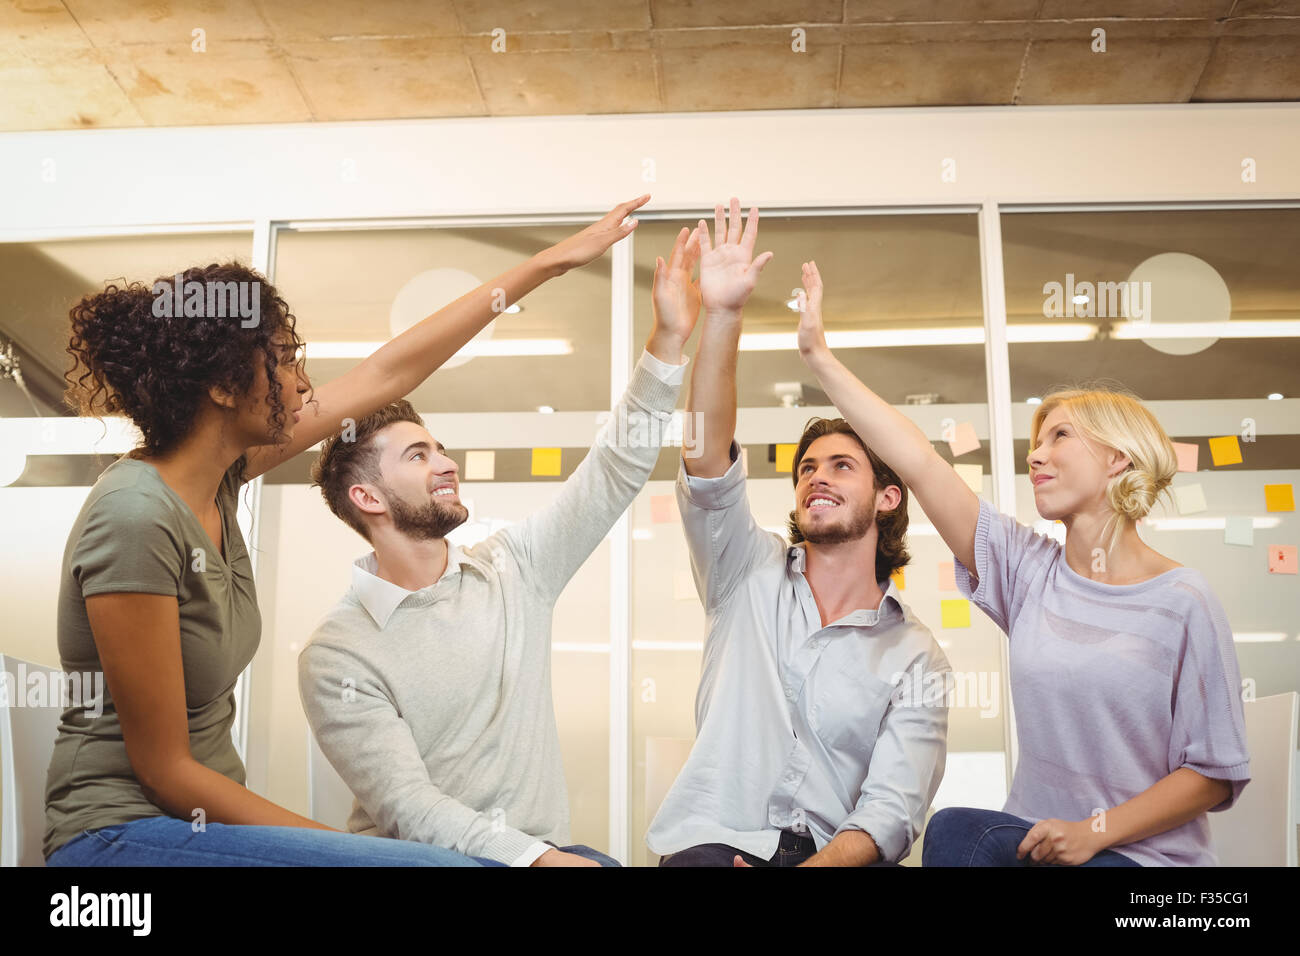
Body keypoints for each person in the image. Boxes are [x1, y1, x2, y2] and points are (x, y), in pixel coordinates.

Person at [44, 195, 650, 867]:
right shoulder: (135, 517)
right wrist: (342, 853)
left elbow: (387, 372)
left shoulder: (219, 477)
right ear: (221, 386)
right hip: (116, 837)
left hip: (199, 834)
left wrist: (547, 264)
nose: (305, 386)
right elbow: (165, 771)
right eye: (286, 360)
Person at [791, 260, 1251, 867]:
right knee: (955, 831)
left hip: (1143, 865)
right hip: (1038, 849)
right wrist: (820, 358)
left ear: (1118, 458)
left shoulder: (1182, 599)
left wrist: (1095, 831)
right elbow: (922, 462)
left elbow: (1215, 773)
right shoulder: (1031, 573)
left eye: (1060, 437)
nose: (1036, 456)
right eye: (1035, 444)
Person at [297, 226, 700, 867]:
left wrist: (668, 342)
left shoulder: (514, 571)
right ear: (368, 499)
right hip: (424, 862)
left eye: (440, 447)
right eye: (418, 454)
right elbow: (410, 807)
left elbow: (615, 468)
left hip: (543, 854)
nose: (446, 463)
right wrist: (540, 859)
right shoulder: (337, 652)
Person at [646, 199, 951, 868]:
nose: (817, 476)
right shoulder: (741, 572)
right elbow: (705, 456)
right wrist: (723, 315)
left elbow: (893, 808)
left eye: (842, 466)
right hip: (714, 849)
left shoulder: (916, 654)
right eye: (807, 468)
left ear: (888, 497)